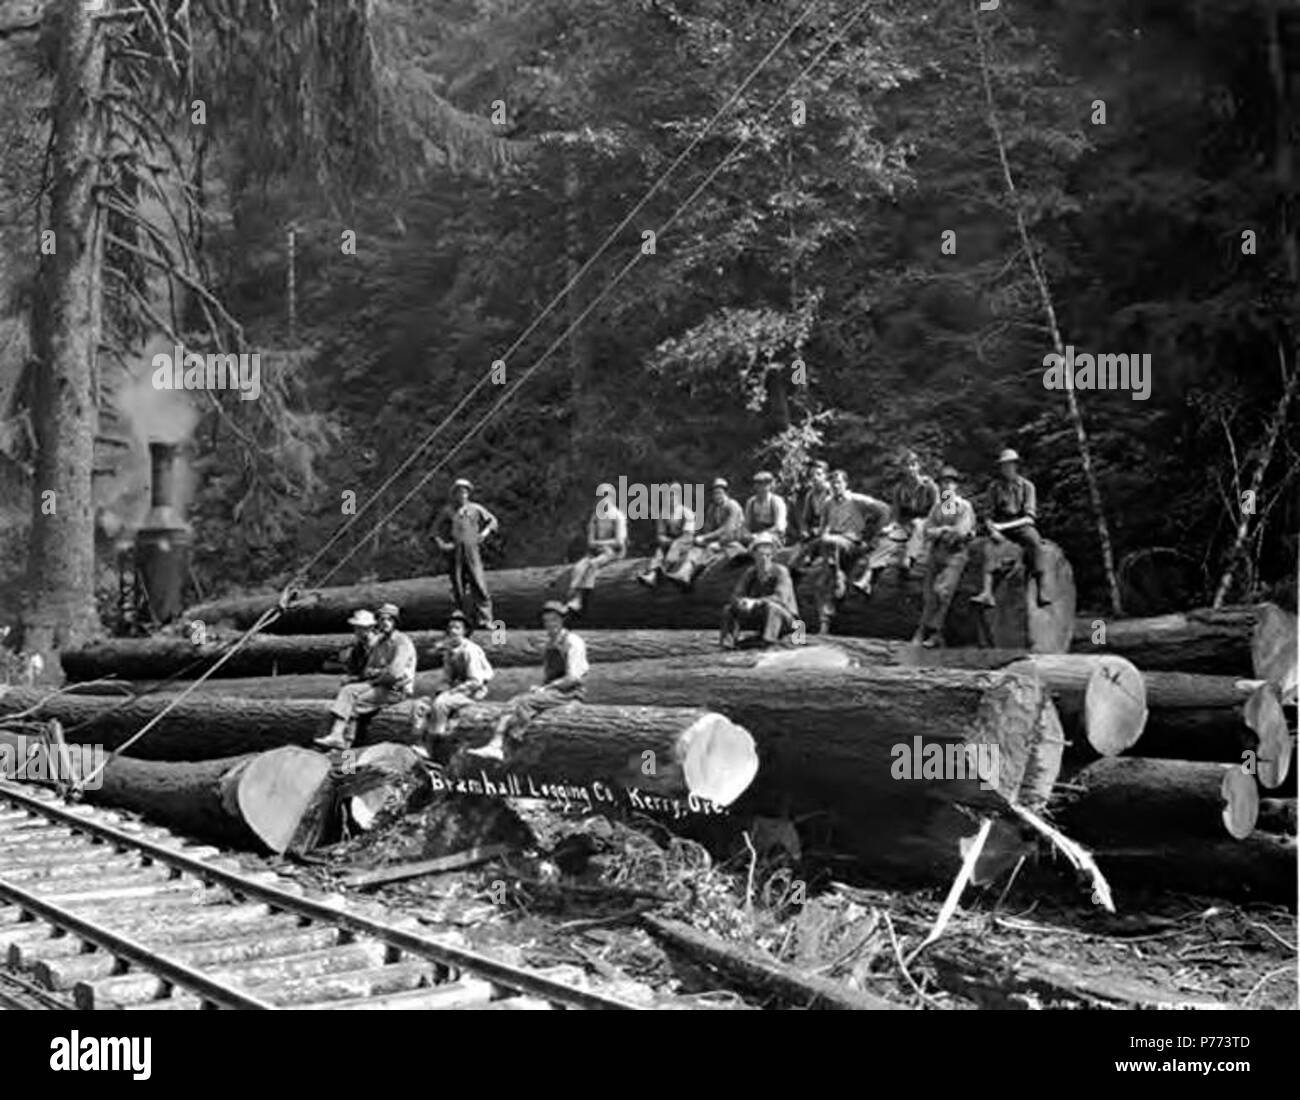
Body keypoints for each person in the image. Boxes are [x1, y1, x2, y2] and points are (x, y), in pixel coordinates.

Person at [466, 601, 587, 760]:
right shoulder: (551, 643)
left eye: (554, 620)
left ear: (562, 620)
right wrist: (542, 687)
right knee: (515, 700)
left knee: (524, 702)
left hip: (569, 692)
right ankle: (495, 744)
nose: (550, 624)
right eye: (547, 621)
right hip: (555, 689)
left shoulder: (573, 642)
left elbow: (573, 678)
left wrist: (547, 689)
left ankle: (508, 743)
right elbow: (551, 674)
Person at [316, 603, 417, 750]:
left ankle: (343, 755)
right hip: (379, 685)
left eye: (389, 619)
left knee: (351, 703)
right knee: (347, 694)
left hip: (395, 690)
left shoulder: (401, 641)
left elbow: (395, 674)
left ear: (395, 622)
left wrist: (376, 674)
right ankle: (338, 741)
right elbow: (368, 670)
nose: (385, 623)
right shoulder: (380, 643)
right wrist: (375, 674)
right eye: (382, 620)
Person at [971, 448, 1051, 608]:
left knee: (1034, 542)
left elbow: (1029, 517)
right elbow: (987, 514)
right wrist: (993, 529)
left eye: (1009, 465)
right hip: (1000, 525)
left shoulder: (1027, 486)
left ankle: (1042, 589)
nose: (1006, 469)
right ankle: (987, 592)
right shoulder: (995, 487)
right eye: (1003, 466)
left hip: (1021, 524)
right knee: (988, 547)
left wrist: (1003, 526)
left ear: (1016, 466)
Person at [811, 470, 890, 631]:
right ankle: (825, 621)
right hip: (833, 544)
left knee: (829, 544)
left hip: (852, 542)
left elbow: (884, 510)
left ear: (845, 484)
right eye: (833, 483)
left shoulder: (856, 500)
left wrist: (875, 533)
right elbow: (823, 527)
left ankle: (838, 576)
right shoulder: (827, 502)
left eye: (839, 482)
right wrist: (823, 535)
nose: (835, 486)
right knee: (822, 581)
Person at [857, 450, 938, 596]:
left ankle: (908, 559)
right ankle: (866, 579)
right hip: (906, 525)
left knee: (917, 525)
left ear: (918, 466)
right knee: (887, 539)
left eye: (913, 465)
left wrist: (926, 522)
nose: (910, 469)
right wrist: (890, 527)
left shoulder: (929, 486)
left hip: (927, 523)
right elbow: (895, 514)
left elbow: (936, 511)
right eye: (907, 466)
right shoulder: (899, 489)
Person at [914, 466, 976, 647]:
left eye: (950, 483)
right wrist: (943, 530)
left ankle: (934, 632)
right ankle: (927, 632)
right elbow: (928, 530)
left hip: (956, 554)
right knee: (929, 593)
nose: (946, 486)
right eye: (943, 483)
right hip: (937, 552)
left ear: (956, 486)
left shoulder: (964, 506)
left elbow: (961, 532)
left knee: (942, 591)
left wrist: (945, 532)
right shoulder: (937, 507)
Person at [433, 478, 499, 629]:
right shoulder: (448, 511)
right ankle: (464, 621)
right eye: (458, 492)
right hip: (455, 552)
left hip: (472, 550)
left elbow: (493, 521)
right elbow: (434, 531)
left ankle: (486, 619)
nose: (462, 495)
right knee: (459, 587)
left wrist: (484, 533)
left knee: (479, 583)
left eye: (464, 492)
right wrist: (443, 545)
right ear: (454, 494)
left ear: (468, 494)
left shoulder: (475, 508)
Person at [425, 610, 495, 751]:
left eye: (457, 628)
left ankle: (436, 740)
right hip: (458, 688)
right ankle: (427, 735)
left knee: (441, 704)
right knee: (428, 703)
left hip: (473, 691)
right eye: (450, 628)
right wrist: (442, 689)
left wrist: (453, 692)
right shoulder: (450, 650)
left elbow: (476, 681)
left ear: (464, 631)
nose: (452, 631)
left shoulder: (470, 650)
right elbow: (447, 677)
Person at [719, 534, 799, 649]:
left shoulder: (781, 572)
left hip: (788, 620)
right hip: (762, 615)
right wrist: (741, 602)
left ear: (772, 555)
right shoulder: (750, 573)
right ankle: (727, 644)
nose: (764, 558)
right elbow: (736, 595)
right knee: (729, 609)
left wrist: (756, 602)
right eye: (761, 555)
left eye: (768, 555)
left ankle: (768, 643)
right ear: (754, 555)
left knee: (772, 607)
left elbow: (780, 598)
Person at [565, 492, 628, 614]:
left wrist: (602, 545)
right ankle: (572, 591)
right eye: (600, 497)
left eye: (606, 496)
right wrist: (601, 545)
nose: (603, 499)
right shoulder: (595, 516)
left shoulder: (618, 516)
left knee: (593, 564)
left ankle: (579, 598)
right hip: (597, 551)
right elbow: (590, 542)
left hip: (614, 552)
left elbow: (619, 542)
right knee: (578, 567)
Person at [637, 483, 698, 589]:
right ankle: (652, 574)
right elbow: (660, 535)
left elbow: (688, 535)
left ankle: (675, 573)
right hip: (669, 543)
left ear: (679, 497)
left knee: (685, 554)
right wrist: (667, 542)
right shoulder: (663, 514)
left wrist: (675, 545)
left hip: (685, 543)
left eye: (674, 495)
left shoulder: (687, 513)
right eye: (669, 495)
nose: (671, 498)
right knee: (659, 552)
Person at [693, 477, 747, 572]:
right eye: (715, 493)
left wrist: (705, 538)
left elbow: (728, 528)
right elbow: (708, 526)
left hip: (734, 538)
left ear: (726, 493)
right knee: (696, 546)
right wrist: (702, 537)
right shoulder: (713, 507)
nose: (717, 496)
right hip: (719, 538)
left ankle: (699, 568)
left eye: (719, 493)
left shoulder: (732, 506)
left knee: (712, 549)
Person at [742, 471, 789, 548]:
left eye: (762, 484)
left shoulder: (777, 501)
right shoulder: (751, 502)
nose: (759, 487)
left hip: (773, 536)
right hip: (754, 536)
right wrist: (747, 535)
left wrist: (761, 535)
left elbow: (780, 526)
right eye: (757, 484)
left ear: (769, 486)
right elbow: (746, 524)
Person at [338, 609, 378, 680]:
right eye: (356, 627)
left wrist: (355, 678)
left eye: (361, 627)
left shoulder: (379, 644)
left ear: (370, 628)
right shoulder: (358, 646)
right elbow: (352, 668)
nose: (357, 631)